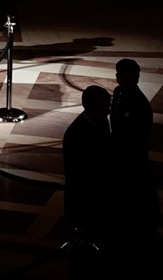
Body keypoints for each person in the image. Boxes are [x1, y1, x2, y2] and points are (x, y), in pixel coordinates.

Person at [108, 58, 161, 277]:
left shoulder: (140, 105)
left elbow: (136, 140)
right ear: (119, 78)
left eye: (134, 78)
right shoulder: (119, 94)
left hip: (133, 163)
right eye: (126, 78)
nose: (130, 82)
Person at [61, 84, 112, 279]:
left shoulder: (102, 123)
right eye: (104, 106)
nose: (108, 110)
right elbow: (80, 174)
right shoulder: (76, 134)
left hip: (98, 202)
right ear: (91, 107)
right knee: (83, 257)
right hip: (83, 204)